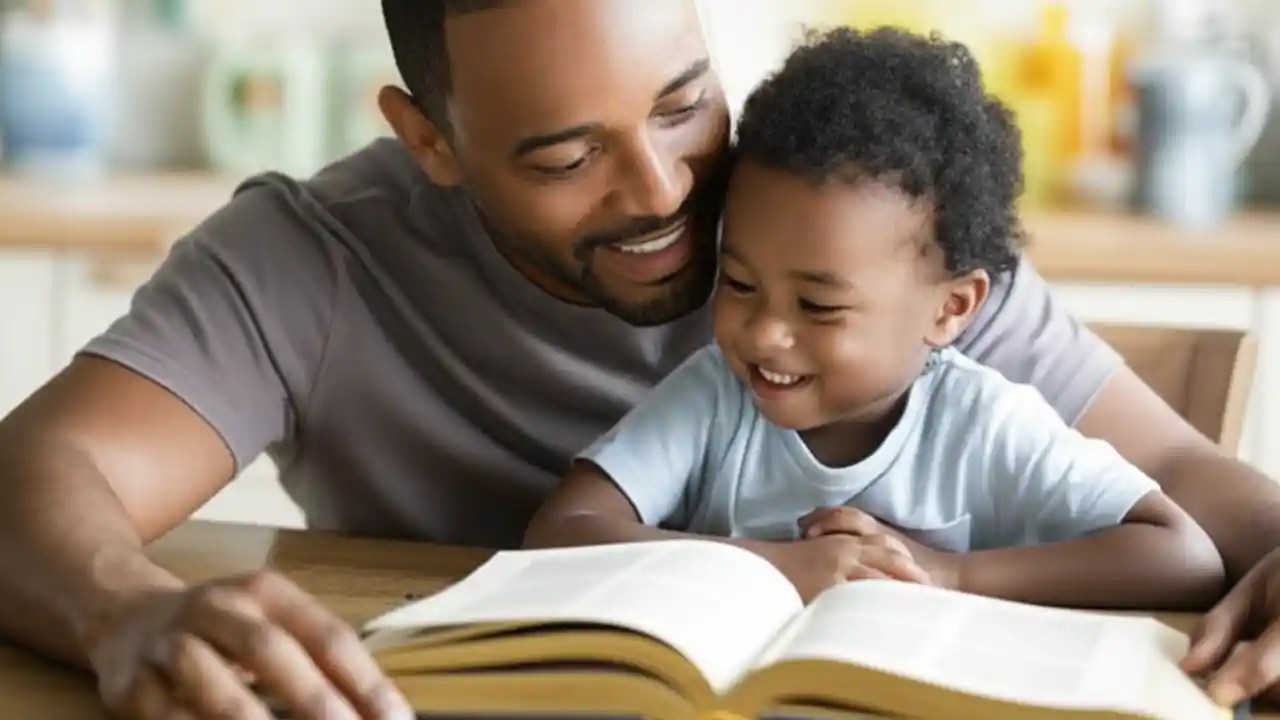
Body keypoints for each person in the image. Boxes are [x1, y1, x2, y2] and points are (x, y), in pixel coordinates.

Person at [0, 0, 1275, 717]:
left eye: (681, 104)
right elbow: (42, 473)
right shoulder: (311, 260)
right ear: (427, 139)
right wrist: (120, 605)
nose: (665, 190)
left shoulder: (853, 213)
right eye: (563, 157)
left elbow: (1175, 472)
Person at [524, 27, 1226, 613]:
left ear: (950, 309)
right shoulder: (715, 398)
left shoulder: (984, 423)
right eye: (739, 282)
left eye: (819, 306)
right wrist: (774, 566)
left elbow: (1184, 556)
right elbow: (563, 530)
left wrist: (952, 575)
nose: (765, 332)